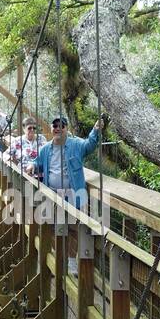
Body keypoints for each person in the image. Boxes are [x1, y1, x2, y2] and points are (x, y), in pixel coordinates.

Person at [37, 114, 108, 272]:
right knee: (55, 228)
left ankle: (71, 261)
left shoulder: (76, 145)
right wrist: (31, 166)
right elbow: (37, 163)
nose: (58, 129)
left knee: (73, 229)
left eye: (61, 126)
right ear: (51, 128)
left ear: (66, 129)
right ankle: (59, 258)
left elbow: (90, 145)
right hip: (52, 195)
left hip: (74, 195)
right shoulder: (44, 149)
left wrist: (96, 130)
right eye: (55, 126)